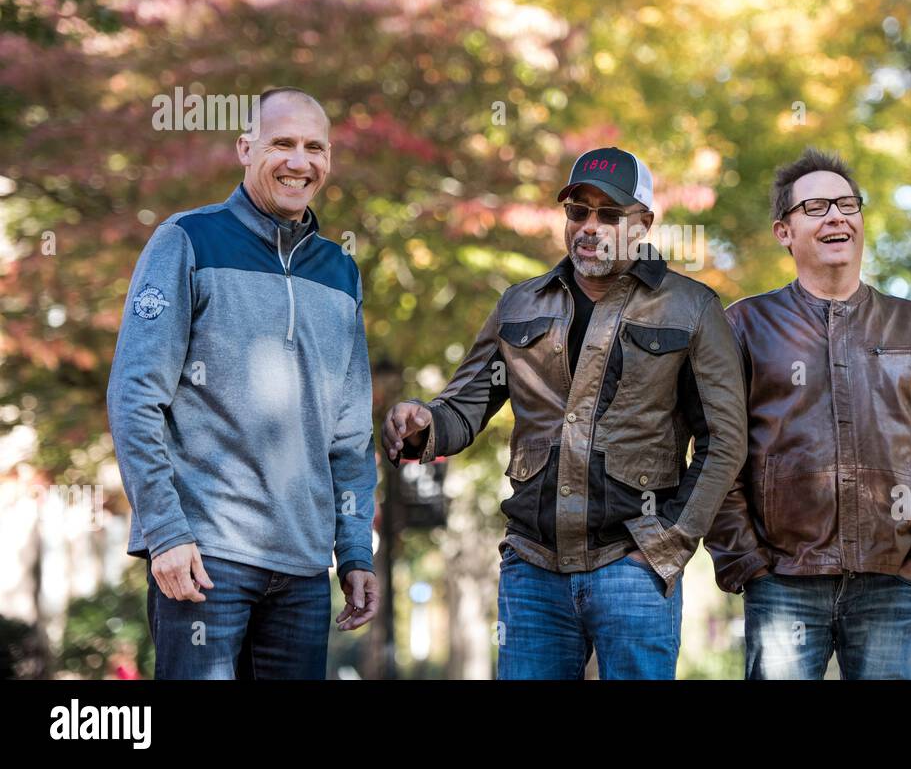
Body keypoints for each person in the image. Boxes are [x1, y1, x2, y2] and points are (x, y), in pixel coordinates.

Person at [382, 146, 746, 679]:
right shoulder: (520, 304)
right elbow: (465, 406)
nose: (589, 226)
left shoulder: (691, 308)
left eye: (609, 214)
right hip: (532, 568)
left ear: (643, 223)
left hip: (633, 563)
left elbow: (725, 441)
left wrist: (668, 542)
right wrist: (424, 424)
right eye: (578, 211)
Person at [108, 87, 378, 679]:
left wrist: (354, 550)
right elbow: (136, 397)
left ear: (328, 159)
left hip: (304, 569)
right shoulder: (188, 241)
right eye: (282, 143)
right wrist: (166, 531)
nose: (298, 162)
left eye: (314, 148)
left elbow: (352, 434)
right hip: (207, 556)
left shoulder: (340, 271)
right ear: (245, 147)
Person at [705, 148, 911, 679]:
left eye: (848, 204)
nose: (837, 216)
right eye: (817, 207)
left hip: (891, 579)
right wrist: (750, 564)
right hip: (782, 582)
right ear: (784, 231)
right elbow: (718, 453)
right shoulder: (744, 326)